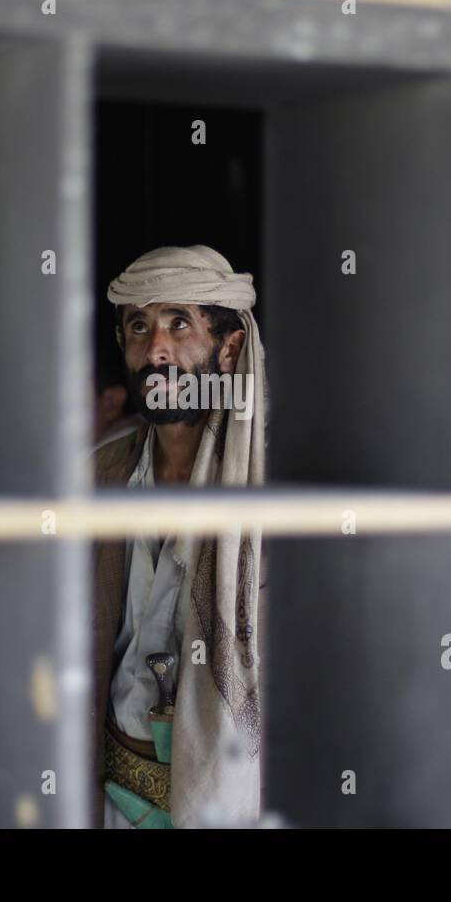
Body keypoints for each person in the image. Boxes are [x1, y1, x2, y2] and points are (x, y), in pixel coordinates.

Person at [91, 244, 267, 829]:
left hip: (231, 803)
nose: (155, 349)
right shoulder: (98, 476)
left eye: (179, 324)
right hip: (108, 798)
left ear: (229, 348)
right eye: (138, 327)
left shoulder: (275, 493)